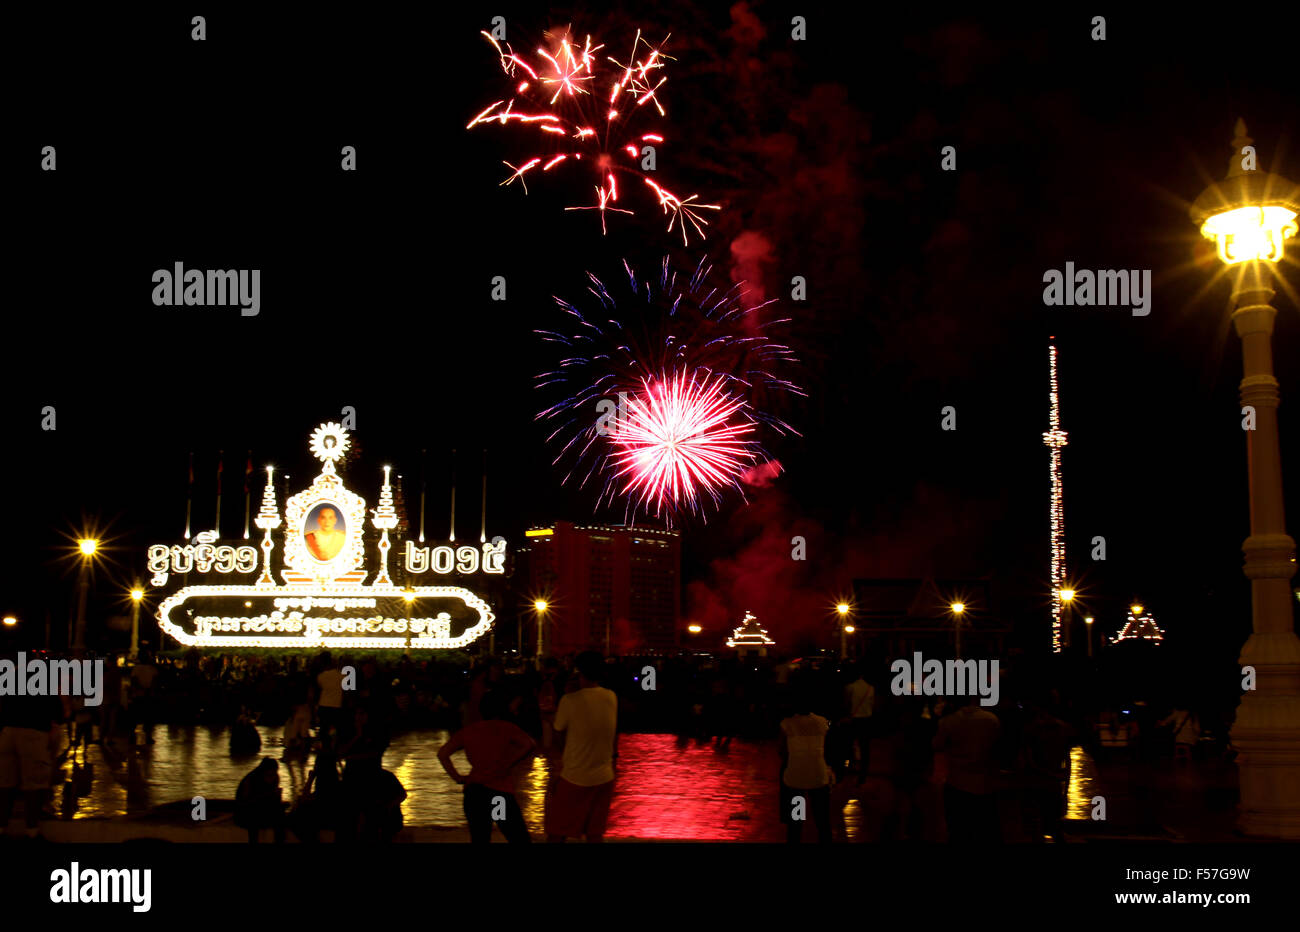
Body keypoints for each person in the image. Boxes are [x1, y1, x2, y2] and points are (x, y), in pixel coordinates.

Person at [438, 689, 536, 843]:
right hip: (498, 794)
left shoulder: (469, 730)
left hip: (474, 793)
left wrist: (457, 777)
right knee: (515, 836)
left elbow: (442, 754)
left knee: (480, 837)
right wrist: (508, 763)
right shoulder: (506, 727)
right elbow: (528, 745)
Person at [545, 651, 617, 843]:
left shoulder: (569, 701)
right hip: (604, 776)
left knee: (556, 830)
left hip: (575, 776)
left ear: (578, 671)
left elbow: (558, 735)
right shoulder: (611, 697)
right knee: (594, 833)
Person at [0, 671, 64, 840]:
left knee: (5, 783)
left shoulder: (11, 681)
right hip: (33, 734)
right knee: (34, 784)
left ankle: (2, 826)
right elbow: (58, 714)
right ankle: (32, 830)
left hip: (7, 733)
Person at [933, 695, 1002, 842]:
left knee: (958, 830)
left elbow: (937, 745)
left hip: (957, 782)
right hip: (985, 784)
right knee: (983, 831)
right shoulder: (991, 719)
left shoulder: (948, 721)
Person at [778, 683, 833, 843]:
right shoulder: (823, 722)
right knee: (822, 820)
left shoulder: (786, 724)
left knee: (796, 823)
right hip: (819, 776)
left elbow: (781, 751)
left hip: (795, 778)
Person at [1019, 700, 1073, 842]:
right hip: (1053, 778)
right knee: (1053, 816)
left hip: (1040, 777)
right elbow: (1067, 759)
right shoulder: (1061, 729)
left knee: (1038, 818)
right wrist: (1065, 781)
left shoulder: (1033, 729)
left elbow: (1028, 759)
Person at [289, 753, 344, 842]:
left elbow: (304, 799)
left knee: (300, 813)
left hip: (326, 820)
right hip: (331, 820)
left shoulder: (324, 789)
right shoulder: (337, 785)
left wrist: (310, 779)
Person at [235, 757, 286, 843]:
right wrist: (266, 796)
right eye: (269, 775)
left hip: (263, 810)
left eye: (274, 774)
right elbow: (244, 803)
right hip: (246, 813)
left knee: (280, 817)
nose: (272, 778)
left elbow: (273, 802)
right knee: (253, 819)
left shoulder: (275, 778)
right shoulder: (250, 780)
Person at [844, 664, 875, 784]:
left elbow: (847, 704)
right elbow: (872, 705)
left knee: (850, 743)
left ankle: (850, 766)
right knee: (865, 746)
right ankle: (863, 771)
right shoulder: (871, 688)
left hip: (854, 719)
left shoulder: (849, 687)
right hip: (866, 719)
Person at [315, 653, 344, 746]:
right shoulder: (341, 676)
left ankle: (325, 746)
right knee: (337, 728)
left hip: (323, 705)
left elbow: (319, 688)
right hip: (337, 705)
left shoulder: (321, 676)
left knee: (324, 728)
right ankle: (334, 746)